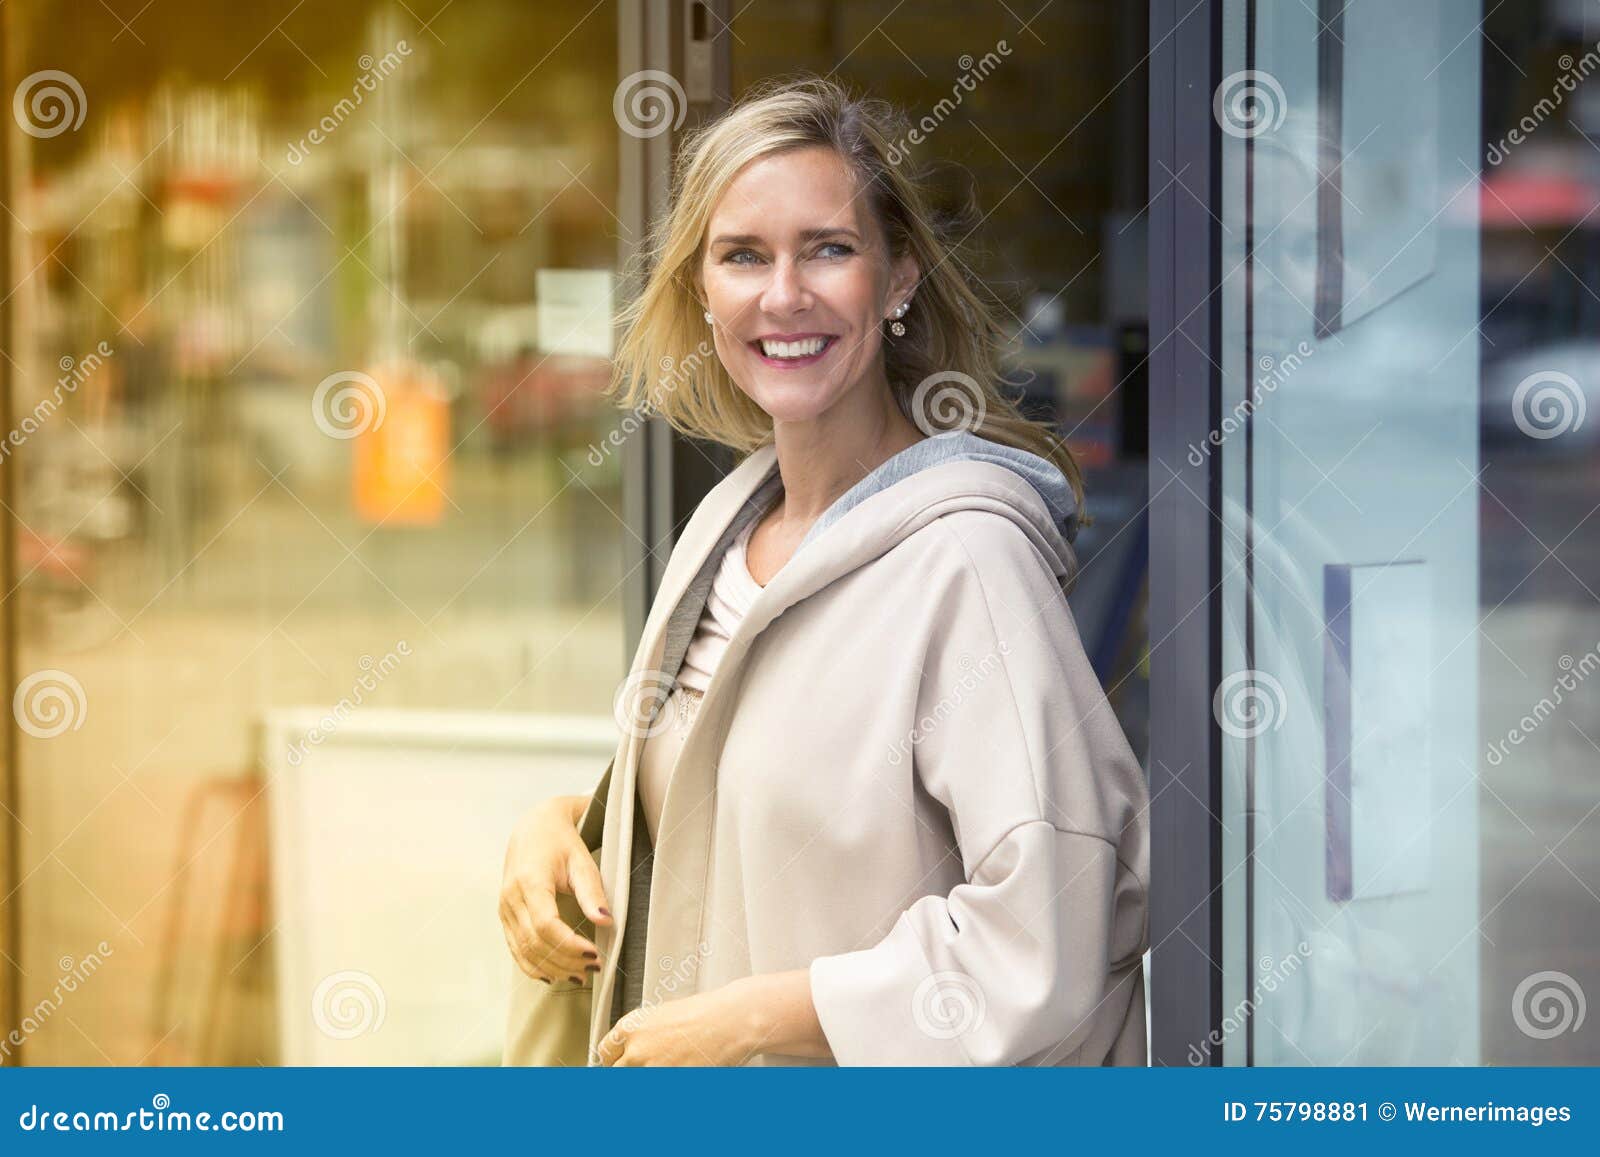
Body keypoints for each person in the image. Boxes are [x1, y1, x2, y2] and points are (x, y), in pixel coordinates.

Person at [500, 75, 1149, 1066]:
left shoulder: (968, 560)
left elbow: (1049, 928)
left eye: (829, 249)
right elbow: (732, 818)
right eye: (743, 256)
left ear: (897, 279)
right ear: (701, 292)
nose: (783, 294)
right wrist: (564, 832)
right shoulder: (725, 529)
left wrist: (760, 1014)